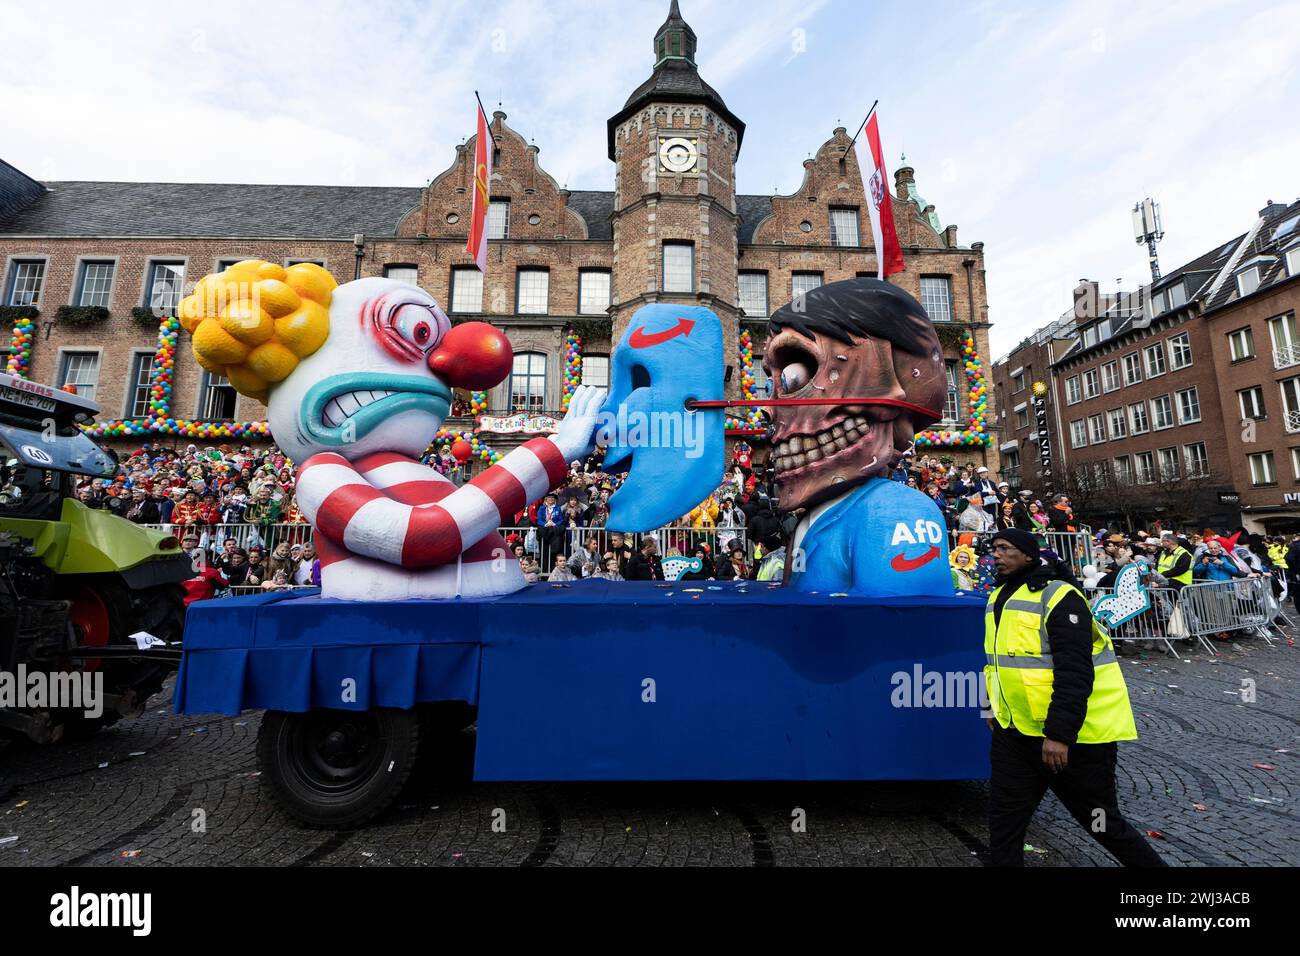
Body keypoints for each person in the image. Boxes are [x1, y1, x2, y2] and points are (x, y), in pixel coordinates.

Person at [983, 528, 1165, 867]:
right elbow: (993, 662)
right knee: (1005, 821)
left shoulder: (1059, 596)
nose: (996, 554)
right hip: (1015, 733)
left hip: (1071, 741)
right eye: (993, 548)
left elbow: (1075, 671)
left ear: (1027, 555)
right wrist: (989, 709)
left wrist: (1059, 735)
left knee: (1101, 823)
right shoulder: (998, 596)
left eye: (1005, 548)